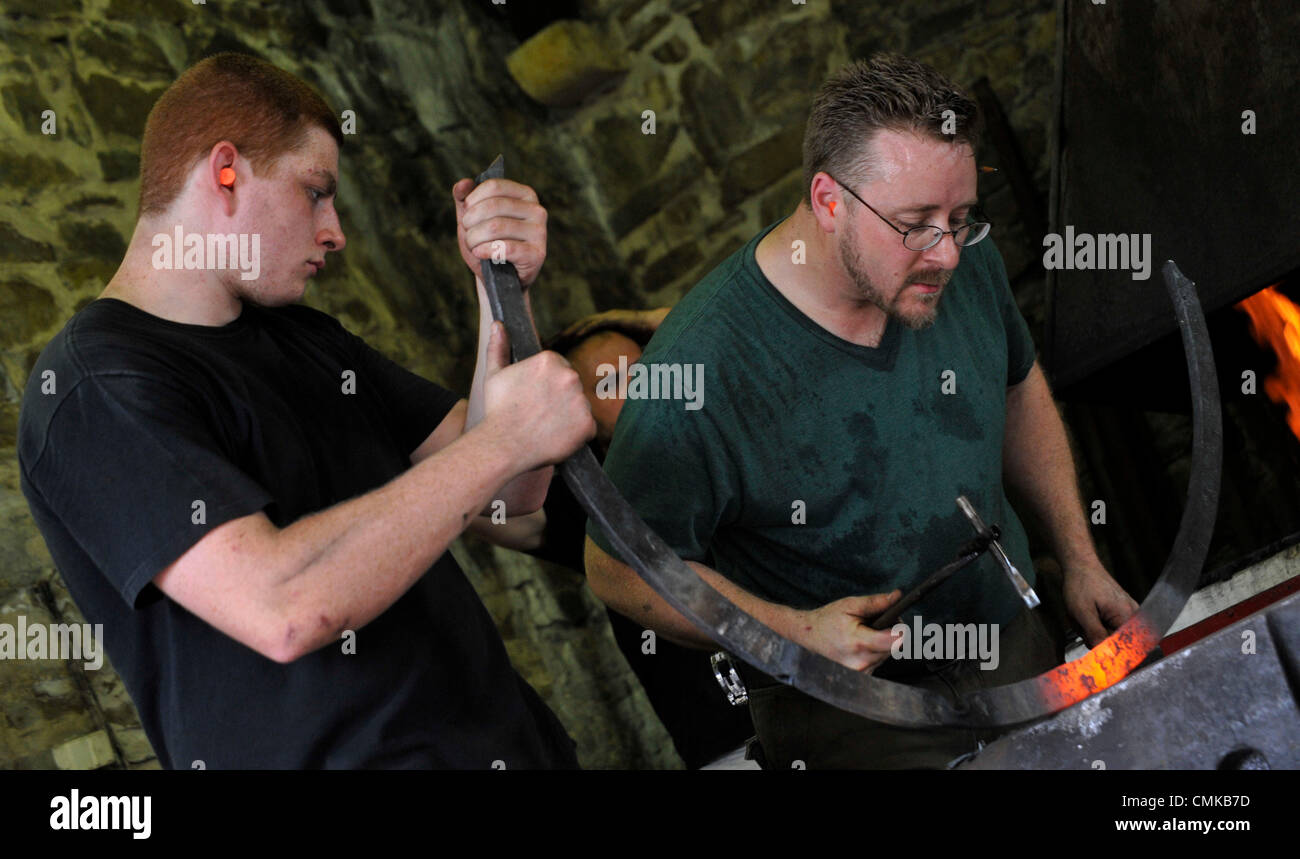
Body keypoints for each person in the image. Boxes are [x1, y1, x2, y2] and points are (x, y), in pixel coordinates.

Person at [18, 53, 596, 769]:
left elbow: (511, 498)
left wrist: (499, 293)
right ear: (225, 171)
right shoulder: (93, 387)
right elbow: (286, 608)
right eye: (316, 193)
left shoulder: (308, 340)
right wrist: (503, 442)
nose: (336, 231)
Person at [584, 53, 1140, 769]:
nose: (944, 252)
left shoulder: (969, 262)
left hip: (1011, 645)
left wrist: (1079, 554)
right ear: (828, 200)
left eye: (961, 218)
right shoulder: (703, 370)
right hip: (850, 717)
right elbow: (620, 568)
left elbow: (1016, 383)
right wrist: (793, 633)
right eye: (915, 224)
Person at [492, 308, 755, 768]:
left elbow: (759, 324)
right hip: (732, 750)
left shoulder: (736, 447)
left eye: (648, 371)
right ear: (578, 410)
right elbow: (476, 502)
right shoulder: (584, 507)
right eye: (611, 384)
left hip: (826, 710)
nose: (640, 390)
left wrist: (649, 319)